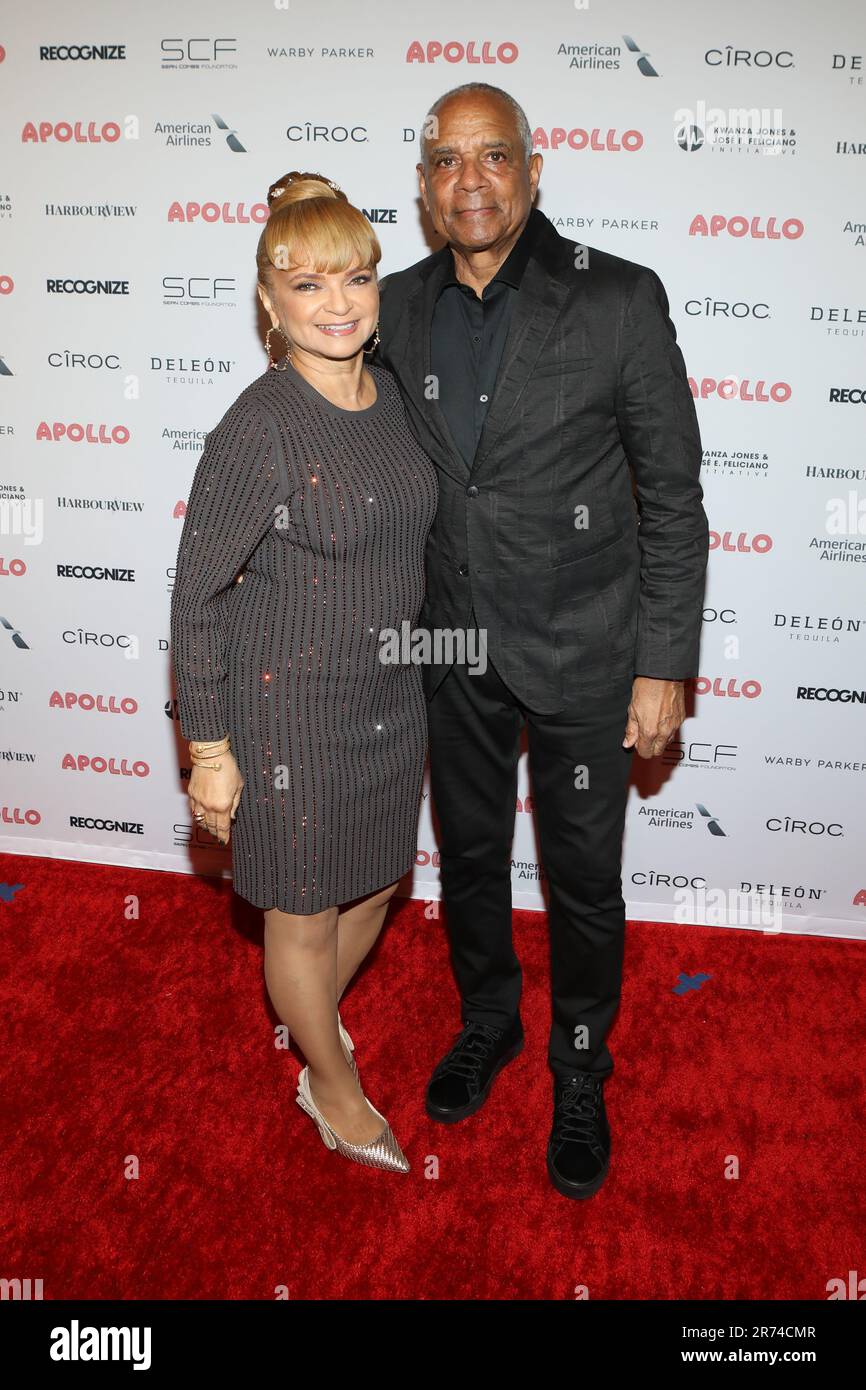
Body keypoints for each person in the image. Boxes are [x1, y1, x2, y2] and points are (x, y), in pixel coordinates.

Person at [374, 84, 709, 1198]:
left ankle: (577, 1064)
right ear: (422, 184)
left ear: (531, 168)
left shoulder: (614, 299)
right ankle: (487, 1020)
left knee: (580, 879)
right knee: (467, 859)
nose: (468, 181)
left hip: (583, 650)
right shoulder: (395, 305)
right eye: (444, 161)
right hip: (448, 652)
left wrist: (663, 664)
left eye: (492, 157)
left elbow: (670, 495)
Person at [169, 171, 438, 1175]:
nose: (336, 304)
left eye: (355, 279)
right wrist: (210, 748)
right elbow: (196, 595)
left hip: (385, 696)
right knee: (301, 907)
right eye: (308, 284)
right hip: (284, 709)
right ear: (267, 303)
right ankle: (327, 1079)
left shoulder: (389, 392)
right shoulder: (258, 426)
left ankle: (313, 1021)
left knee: (372, 886)